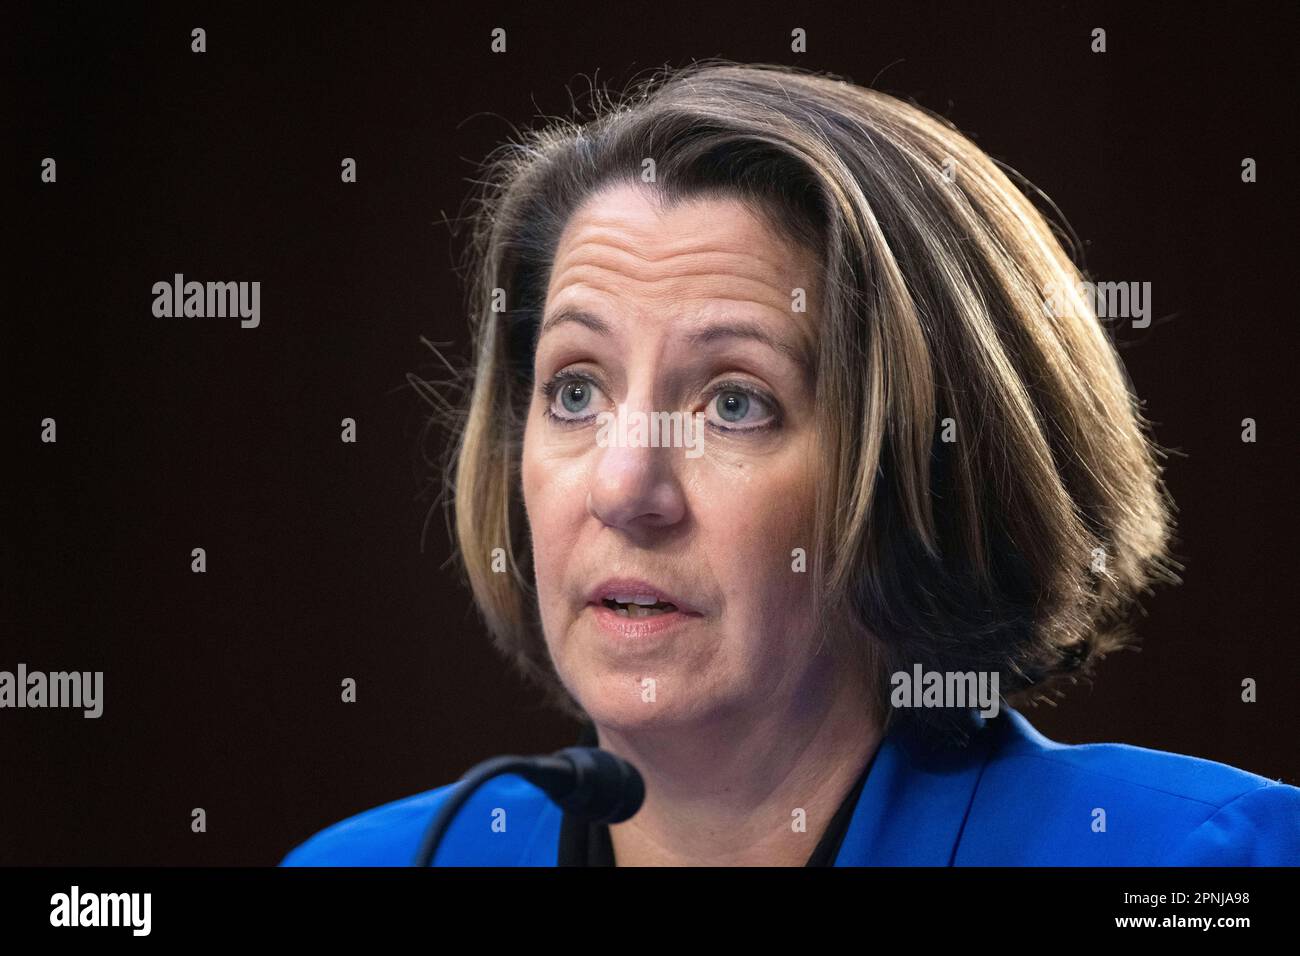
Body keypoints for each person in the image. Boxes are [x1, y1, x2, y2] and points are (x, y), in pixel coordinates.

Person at [281, 61, 1299, 866]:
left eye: (734, 402)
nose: (623, 486)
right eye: (576, 390)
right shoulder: (378, 862)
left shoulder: (1199, 862)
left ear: (919, 477)